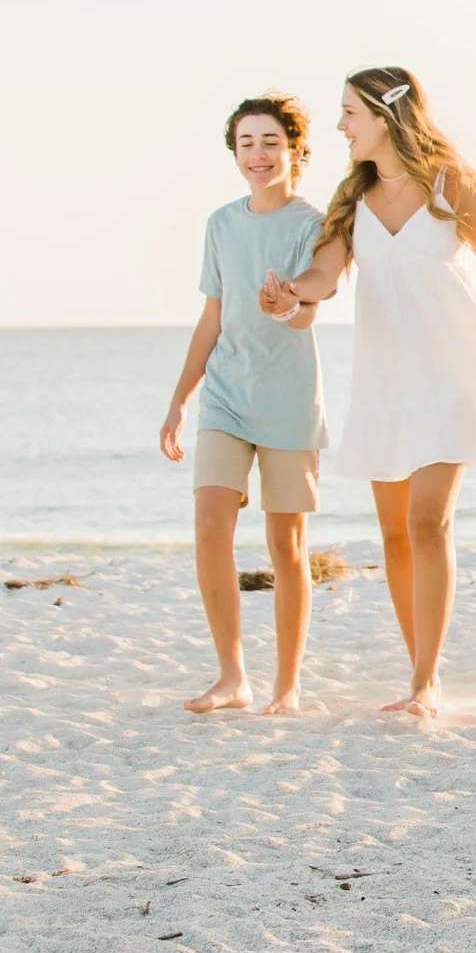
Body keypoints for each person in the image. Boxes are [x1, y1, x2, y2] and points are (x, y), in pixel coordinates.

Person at [260, 68, 476, 721]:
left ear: (385, 117)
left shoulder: (450, 183)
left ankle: (426, 682)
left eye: (350, 112)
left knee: (427, 521)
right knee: (394, 534)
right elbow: (324, 274)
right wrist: (291, 293)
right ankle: (418, 671)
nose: (341, 126)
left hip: (454, 374)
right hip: (386, 382)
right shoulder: (352, 195)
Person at [158, 94, 328, 715]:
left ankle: (287, 685)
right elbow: (212, 318)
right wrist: (180, 400)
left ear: (295, 151)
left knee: (286, 546)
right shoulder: (221, 224)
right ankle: (232, 677)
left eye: (270, 142)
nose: (258, 154)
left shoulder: (314, 225)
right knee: (210, 525)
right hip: (225, 397)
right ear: (234, 153)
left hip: (288, 401)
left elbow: (308, 313)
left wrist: (286, 305)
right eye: (246, 143)